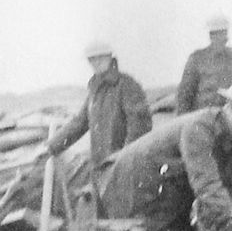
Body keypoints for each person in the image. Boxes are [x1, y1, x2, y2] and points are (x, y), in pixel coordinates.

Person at [99, 78, 232, 231]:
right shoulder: (200, 127)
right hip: (130, 185)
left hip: (163, 190)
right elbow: (206, 184)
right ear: (230, 105)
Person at [42, 40, 152, 170]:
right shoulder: (95, 91)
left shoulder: (127, 85)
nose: (96, 62)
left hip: (124, 165)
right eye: (92, 59)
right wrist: (51, 147)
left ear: (110, 57)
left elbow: (139, 126)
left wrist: (125, 158)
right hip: (101, 166)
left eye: (101, 57)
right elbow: (79, 123)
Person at [175, 16, 232, 113]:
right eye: (218, 34)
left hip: (231, 115)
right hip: (205, 115)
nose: (223, 38)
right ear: (211, 36)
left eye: (224, 33)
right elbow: (185, 94)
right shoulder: (197, 58)